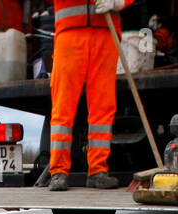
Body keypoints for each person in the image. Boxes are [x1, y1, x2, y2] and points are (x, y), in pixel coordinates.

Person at [46, 0, 134, 191]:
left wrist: (119, 2)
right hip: (70, 33)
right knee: (63, 105)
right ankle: (59, 171)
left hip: (105, 33)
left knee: (103, 106)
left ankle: (98, 171)